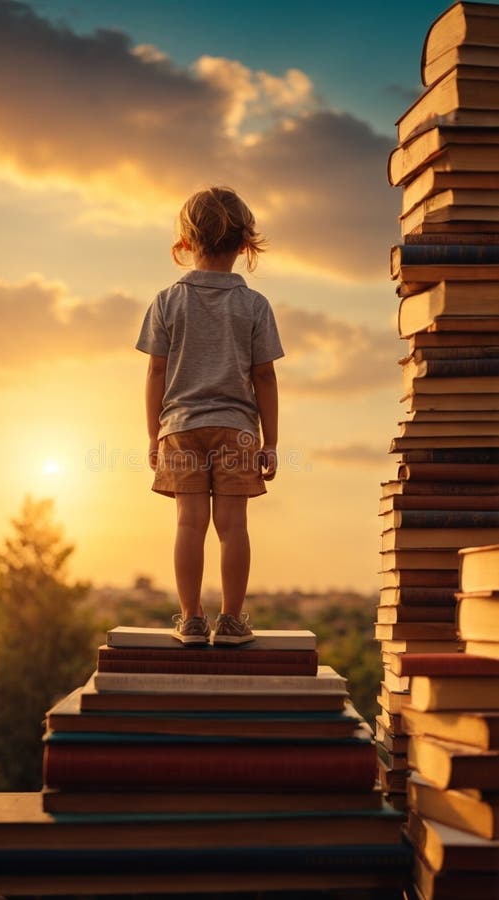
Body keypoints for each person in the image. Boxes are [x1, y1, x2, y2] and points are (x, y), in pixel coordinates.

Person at [135, 186, 284, 646]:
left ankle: (192, 619)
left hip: (180, 428)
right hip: (238, 430)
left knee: (188, 524)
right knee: (233, 526)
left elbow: (156, 370)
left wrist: (153, 436)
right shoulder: (254, 305)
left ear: (184, 243)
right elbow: (265, 379)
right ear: (244, 244)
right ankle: (233, 621)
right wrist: (270, 442)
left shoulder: (166, 301)